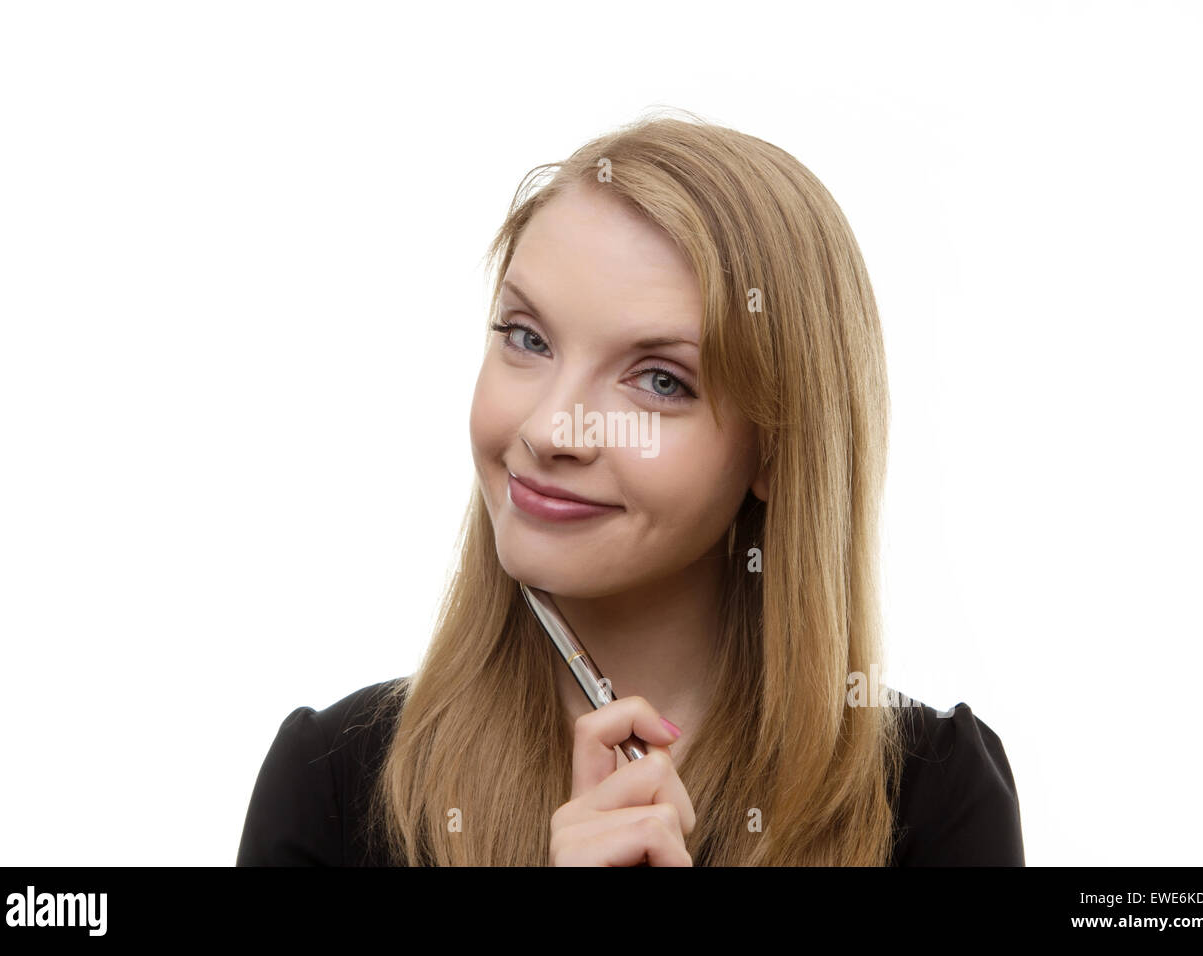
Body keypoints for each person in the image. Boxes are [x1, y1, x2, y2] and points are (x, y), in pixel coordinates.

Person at [236, 111, 1025, 866]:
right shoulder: (329, 788)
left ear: (778, 450)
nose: (550, 429)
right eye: (527, 338)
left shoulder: (932, 801)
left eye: (658, 379)